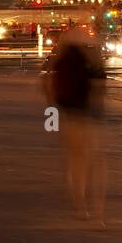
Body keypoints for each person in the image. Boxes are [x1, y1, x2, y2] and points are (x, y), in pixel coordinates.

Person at [45, 25, 106, 224]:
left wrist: (52, 108)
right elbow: (99, 86)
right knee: (94, 163)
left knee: (74, 160)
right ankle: (97, 212)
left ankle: (80, 205)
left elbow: (48, 83)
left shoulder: (61, 58)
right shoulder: (91, 58)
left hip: (68, 113)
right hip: (89, 115)